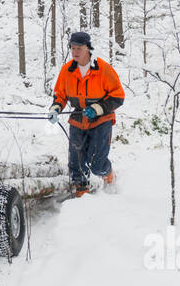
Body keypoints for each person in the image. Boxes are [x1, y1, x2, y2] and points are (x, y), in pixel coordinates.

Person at [47, 31, 125, 195]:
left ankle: (109, 176)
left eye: (79, 48)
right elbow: (60, 95)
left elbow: (118, 97)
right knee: (77, 161)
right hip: (78, 119)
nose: (75, 52)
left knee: (96, 163)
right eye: (72, 48)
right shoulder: (67, 70)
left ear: (88, 49)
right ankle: (82, 196)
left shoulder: (103, 68)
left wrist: (97, 109)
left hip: (101, 119)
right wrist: (55, 109)